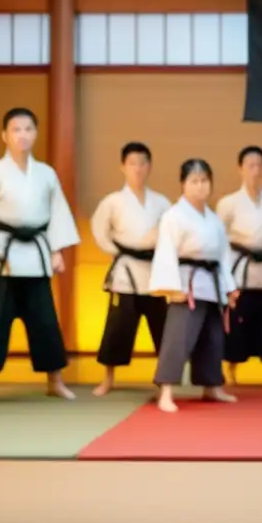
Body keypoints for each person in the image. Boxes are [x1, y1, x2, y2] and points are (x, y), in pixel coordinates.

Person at [0, 107, 79, 400]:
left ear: (36, 133)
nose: (22, 135)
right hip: (4, 255)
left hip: (36, 257)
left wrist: (56, 250)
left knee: (45, 322)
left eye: (28, 129)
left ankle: (55, 381)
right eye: (16, 129)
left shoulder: (46, 173)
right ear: (4, 135)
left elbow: (58, 213)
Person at [148, 159, 239, 413]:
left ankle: (211, 386)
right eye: (194, 181)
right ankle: (166, 390)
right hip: (186, 282)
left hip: (212, 281)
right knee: (179, 338)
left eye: (204, 181)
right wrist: (171, 287)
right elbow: (166, 252)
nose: (200, 186)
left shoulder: (214, 220)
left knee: (212, 337)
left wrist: (230, 287)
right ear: (183, 184)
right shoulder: (173, 216)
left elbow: (223, 256)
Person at [90, 142, 172, 396]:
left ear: (150, 167)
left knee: (162, 328)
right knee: (117, 328)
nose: (138, 169)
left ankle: (164, 379)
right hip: (125, 271)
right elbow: (99, 230)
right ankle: (108, 379)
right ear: (123, 167)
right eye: (132, 163)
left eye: (143, 163)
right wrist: (117, 251)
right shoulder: (113, 202)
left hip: (153, 272)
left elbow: (170, 233)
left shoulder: (161, 202)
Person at [216, 146, 262, 390]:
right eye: (250, 165)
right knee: (237, 324)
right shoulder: (228, 203)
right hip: (239, 268)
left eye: (259, 165)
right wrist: (225, 277)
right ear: (240, 169)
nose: (255, 170)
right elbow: (219, 241)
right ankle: (230, 370)